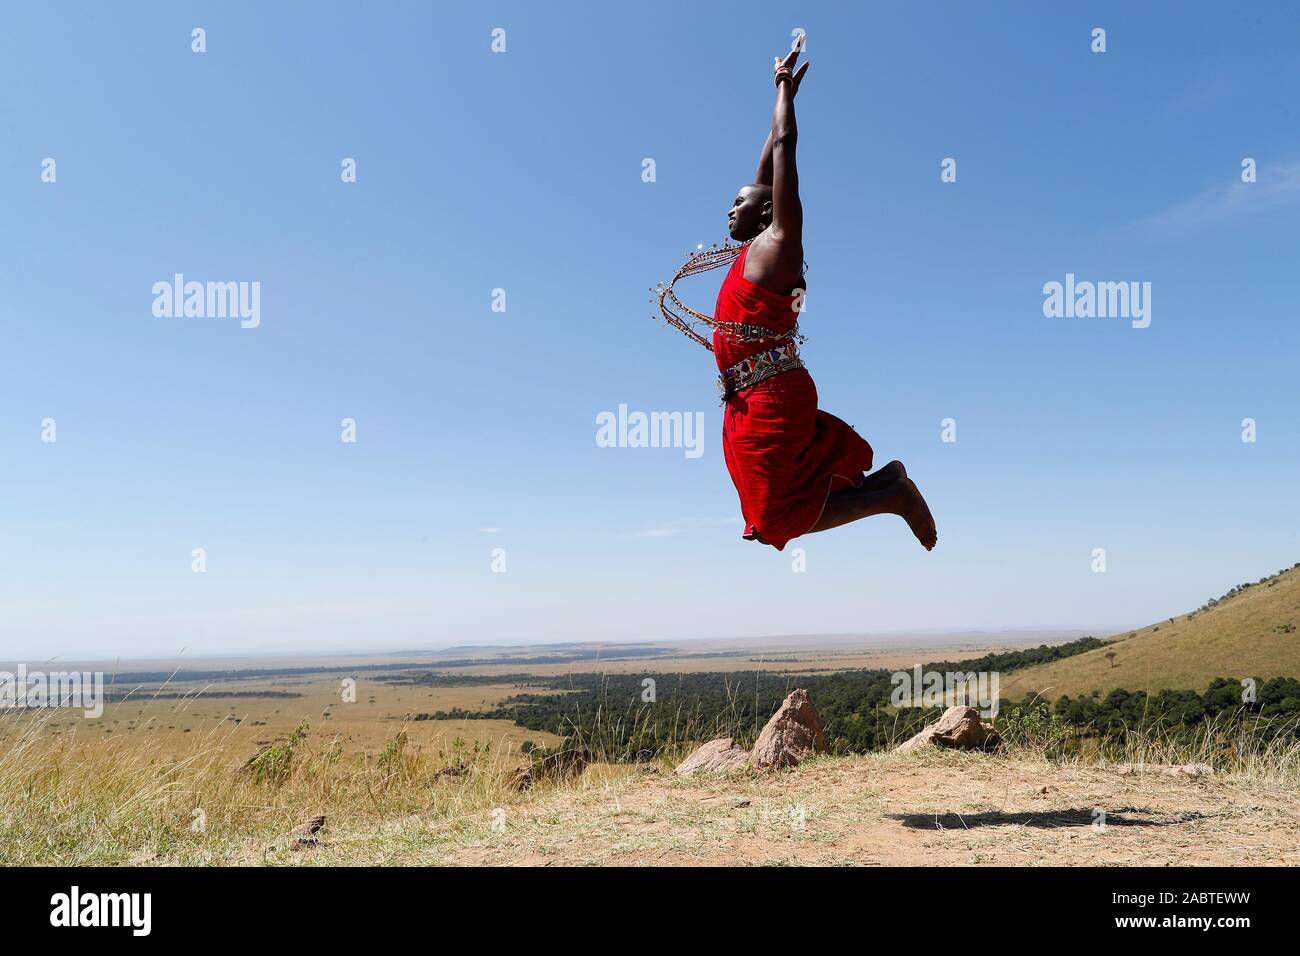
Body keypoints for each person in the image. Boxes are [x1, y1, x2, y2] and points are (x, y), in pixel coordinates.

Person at [712, 41, 937, 552]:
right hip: (747, 396)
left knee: (777, 514)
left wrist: (785, 92)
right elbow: (773, 149)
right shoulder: (756, 248)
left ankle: (890, 496)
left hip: (769, 392)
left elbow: (786, 150)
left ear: (769, 213)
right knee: (769, 505)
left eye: (739, 202)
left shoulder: (780, 246)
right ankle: (884, 484)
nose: (730, 208)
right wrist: (780, 96)